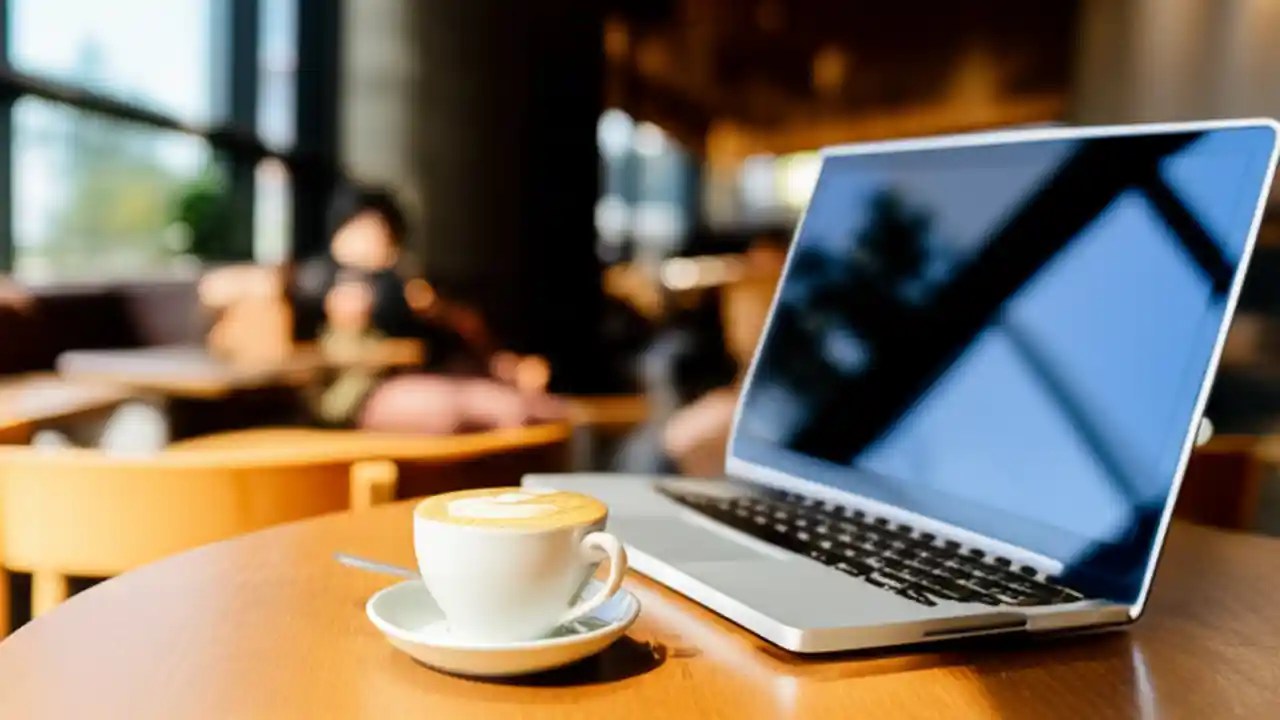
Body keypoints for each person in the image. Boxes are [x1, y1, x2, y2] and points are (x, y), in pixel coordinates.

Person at [296, 184, 564, 433]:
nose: (374, 239)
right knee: (472, 408)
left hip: (422, 377)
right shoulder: (319, 280)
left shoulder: (404, 282)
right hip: (359, 394)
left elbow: (461, 331)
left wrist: (502, 364)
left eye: (384, 231)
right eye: (365, 227)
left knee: (530, 408)